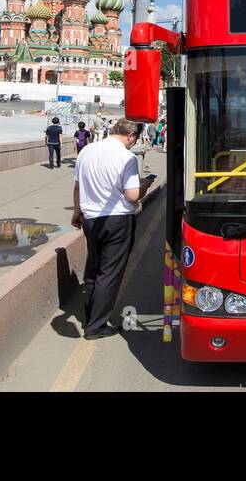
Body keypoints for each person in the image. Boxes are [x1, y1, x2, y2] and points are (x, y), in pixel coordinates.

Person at [71, 118, 154, 339]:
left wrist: (77, 212)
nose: (132, 144)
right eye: (134, 140)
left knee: (94, 269)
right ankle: (95, 326)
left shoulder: (86, 151)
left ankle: (89, 316)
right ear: (131, 136)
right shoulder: (126, 157)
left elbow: (78, 186)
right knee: (110, 273)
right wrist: (144, 185)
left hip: (90, 219)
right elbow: (132, 195)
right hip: (117, 220)